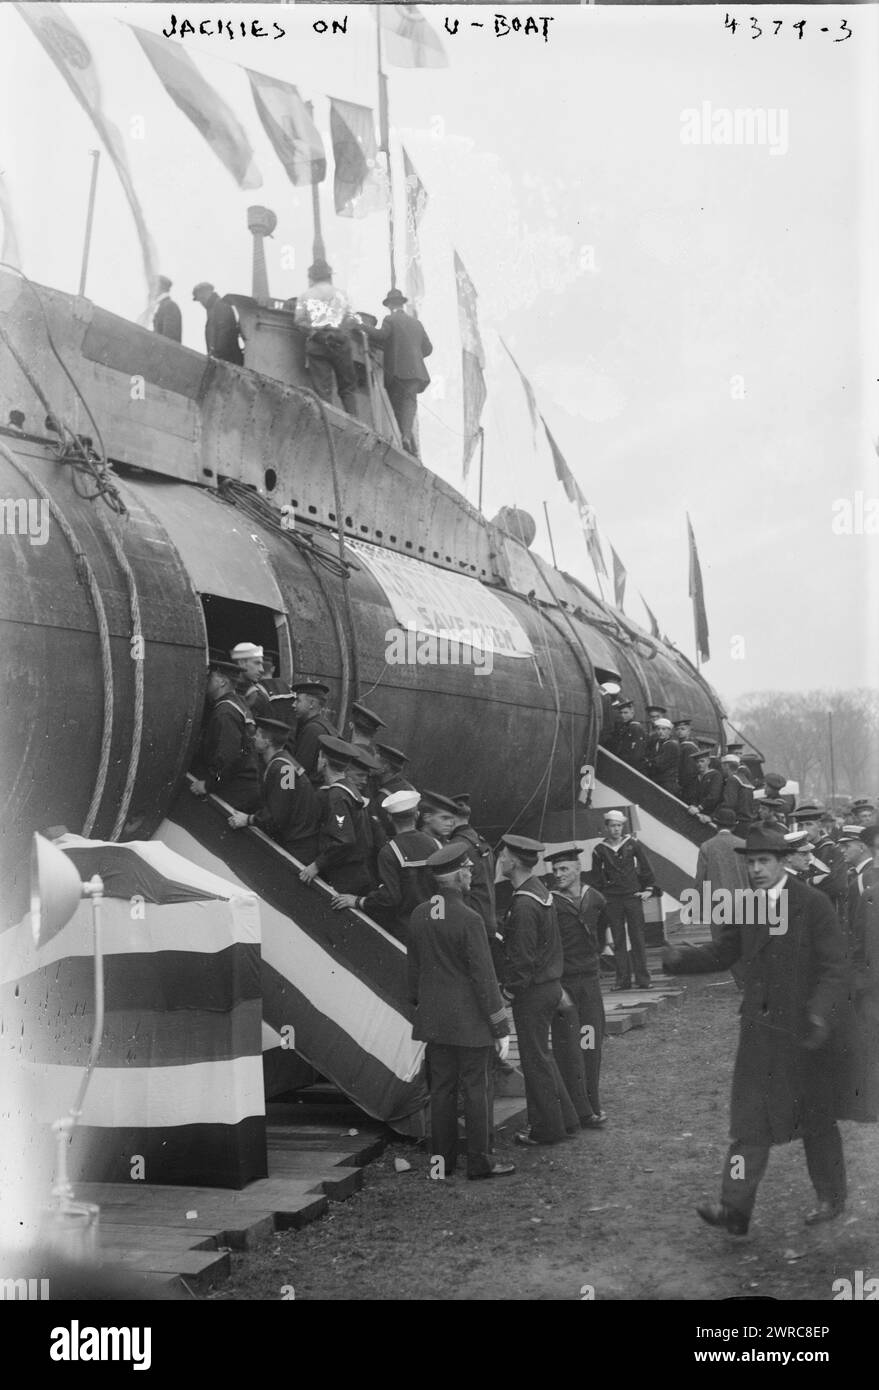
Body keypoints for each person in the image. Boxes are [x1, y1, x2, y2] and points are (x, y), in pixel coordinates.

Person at [663, 824, 849, 1236]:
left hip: (804, 1035)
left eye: (764, 861)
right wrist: (680, 960)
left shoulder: (813, 904)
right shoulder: (745, 905)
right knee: (749, 1125)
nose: (757, 870)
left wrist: (820, 1014)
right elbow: (724, 950)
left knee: (817, 1123)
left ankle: (831, 1197)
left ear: (783, 863)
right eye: (751, 863)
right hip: (760, 1033)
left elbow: (836, 967)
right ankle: (734, 1210)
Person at [408, 842, 515, 1181]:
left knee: (441, 1091)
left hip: (435, 1022)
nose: (472, 873)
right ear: (456, 877)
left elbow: (413, 972)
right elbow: (484, 978)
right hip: (470, 1023)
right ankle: (481, 1162)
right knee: (476, 1089)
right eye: (467, 869)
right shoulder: (470, 919)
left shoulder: (418, 914)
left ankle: (441, 1162)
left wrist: (423, 1006)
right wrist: (500, 1026)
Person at [497, 834, 580, 1147]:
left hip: (532, 992)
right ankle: (567, 1119)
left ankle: (547, 1130)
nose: (500, 860)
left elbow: (523, 960)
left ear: (514, 861)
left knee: (535, 1060)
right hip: (548, 986)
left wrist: (507, 994)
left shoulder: (524, 904)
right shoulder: (539, 893)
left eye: (502, 855)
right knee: (542, 1056)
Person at [545, 845, 608, 1126]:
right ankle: (576, 1109)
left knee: (590, 1041)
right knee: (568, 1047)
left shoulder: (595, 898)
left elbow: (602, 935)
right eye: (555, 870)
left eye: (564, 869)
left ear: (578, 868)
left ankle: (592, 1103)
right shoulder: (550, 903)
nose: (558, 875)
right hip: (565, 985)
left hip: (590, 982)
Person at [333, 789, 439, 944]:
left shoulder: (389, 851)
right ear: (417, 815)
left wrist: (358, 901)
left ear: (390, 818)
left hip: (405, 930)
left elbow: (389, 899)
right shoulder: (435, 844)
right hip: (432, 927)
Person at [227, 717, 319, 864]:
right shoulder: (284, 764)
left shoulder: (284, 769)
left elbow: (278, 814)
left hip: (297, 847)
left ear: (267, 741)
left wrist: (248, 819)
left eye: (257, 735)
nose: (253, 738)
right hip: (298, 841)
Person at [299, 736, 374, 894]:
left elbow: (344, 840)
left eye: (320, 756)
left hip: (345, 878)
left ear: (324, 761)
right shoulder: (348, 790)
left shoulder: (337, 795)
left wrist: (316, 865)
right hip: (355, 874)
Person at [590, 810, 656, 991]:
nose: (616, 829)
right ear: (606, 828)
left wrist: (648, 889)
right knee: (618, 939)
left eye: (619, 826)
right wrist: (602, 895)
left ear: (622, 827)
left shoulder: (632, 844)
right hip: (613, 899)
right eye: (612, 826)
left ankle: (643, 979)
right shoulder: (599, 850)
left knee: (637, 938)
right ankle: (622, 981)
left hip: (632, 896)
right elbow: (596, 877)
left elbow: (645, 866)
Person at [363, 288, 432, 455]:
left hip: (396, 371)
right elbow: (428, 348)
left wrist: (362, 326)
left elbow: (381, 335)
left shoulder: (390, 319)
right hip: (416, 371)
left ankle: (404, 437)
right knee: (410, 401)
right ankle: (407, 438)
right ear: (402, 304)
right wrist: (414, 353)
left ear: (389, 306)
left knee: (397, 406)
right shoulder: (416, 323)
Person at [190, 662, 260, 812]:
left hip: (236, 790)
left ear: (222, 682)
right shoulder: (237, 702)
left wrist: (208, 785)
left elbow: (227, 754)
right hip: (246, 785)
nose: (206, 681)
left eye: (210, 677)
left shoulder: (225, 712)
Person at [293, 260, 360, 415]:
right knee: (348, 388)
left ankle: (328, 423)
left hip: (318, 343)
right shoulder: (342, 294)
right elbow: (352, 318)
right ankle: (355, 422)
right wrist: (341, 332)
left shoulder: (305, 296)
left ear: (312, 277)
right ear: (329, 276)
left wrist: (316, 333)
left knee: (322, 390)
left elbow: (299, 321)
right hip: (340, 343)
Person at [291, 681, 335, 786]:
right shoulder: (324, 725)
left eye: (298, 700)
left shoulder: (313, 730)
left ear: (311, 704)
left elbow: (300, 771)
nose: (293, 705)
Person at [192, 282, 243, 365]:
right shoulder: (213, 308)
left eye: (201, 299)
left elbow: (224, 334)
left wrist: (215, 356)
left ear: (206, 293)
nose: (202, 303)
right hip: (223, 361)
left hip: (228, 362)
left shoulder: (221, 306)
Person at [230, 642, 272, 719]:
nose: (261, 669)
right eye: (257, 663)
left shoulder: (259, 697)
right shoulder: (226, 690)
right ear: (241, 663)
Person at [608, 698, 646, 771]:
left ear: (632, 712)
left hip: (630, 766)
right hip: (621, 763)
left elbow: (637, 753)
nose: (623, 715)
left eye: (626, 713)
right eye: (621, 713)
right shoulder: (623, 727)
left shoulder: (635, 728)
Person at [686, 749, 723, 823]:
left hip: (708, 815)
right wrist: (693, 805)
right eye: (697, 762)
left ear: (708, 761)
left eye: (702, 761)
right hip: (694, 812)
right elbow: (692, 794)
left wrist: (699, 808)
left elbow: (713, 796)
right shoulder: (695, 777)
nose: (699, 764)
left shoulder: (715, 775)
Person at [648, 718, 680, 796]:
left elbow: (659, 764)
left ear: (669, 731)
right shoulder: (657, 743)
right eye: (658, 729)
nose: (660, 732)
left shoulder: (671, 745)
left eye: (664, 729)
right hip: (659, 781)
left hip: (668, 784)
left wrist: (649, 762)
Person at [151, 276, 182, 342]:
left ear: (159, 287)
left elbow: (169, 339)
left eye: (152, 286)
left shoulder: (169, 306)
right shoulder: (163, 306)